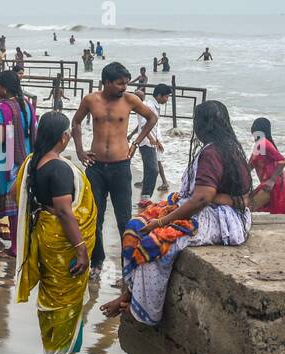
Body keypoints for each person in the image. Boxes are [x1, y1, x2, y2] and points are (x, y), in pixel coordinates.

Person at [102, 101, 253, 324]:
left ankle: (143, 308)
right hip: (219, 211)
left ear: (202, 125)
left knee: (153, 243)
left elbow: (202, 198)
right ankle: (129, 291)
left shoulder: (213, 152)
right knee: (135, 227)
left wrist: (162, 221)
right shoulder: (230, 147)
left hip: (219, 220)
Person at [12, 111, 96, 354]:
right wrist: (81, 248)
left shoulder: (33, 162)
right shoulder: (58, 169)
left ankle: (54, 353)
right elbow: (65, 212)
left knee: (51, 296)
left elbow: (20, 193)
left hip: (45, 233)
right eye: (68, 133)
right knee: (63, 300)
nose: (70, 136)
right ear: (62, 137)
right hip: (61, 240)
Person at [72, 62, 157, 274]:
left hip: (121, 166)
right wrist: (80, 151)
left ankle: (126, 265)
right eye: (120, 83)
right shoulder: (91, 100)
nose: (124, 87)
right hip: (96, 166)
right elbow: (76, 122)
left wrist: (136, 143)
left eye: (126, 83)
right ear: (107, 82)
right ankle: (97, 262)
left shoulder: (130, 100)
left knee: (124, 218)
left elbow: (151, 118)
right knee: (95, 216)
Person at [0, 70, 37, 257]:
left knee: (12, 206)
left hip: (6, 160)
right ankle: (21, 244)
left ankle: (14, 247)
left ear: (5, 89)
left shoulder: (3, 109)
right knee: (21, 203)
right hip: (25, 157)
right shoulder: (28, 106)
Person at [248, 117, 285, 214]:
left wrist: (272, 180)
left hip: (274, 183)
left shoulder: (263, 143)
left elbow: (281, 161)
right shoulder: (260, 145)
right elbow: (251, 165)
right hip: (272, 183)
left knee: (249, 207)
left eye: (253, 125)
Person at [135, 84, 171, 199]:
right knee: (153, 170)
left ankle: (145, 197)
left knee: (149, 169)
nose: (167, 99)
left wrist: (157, 140)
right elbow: (143, 125)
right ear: (159, 96)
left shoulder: (154, 106)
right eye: (166, 96)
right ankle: (146, 197)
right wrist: (151, 139)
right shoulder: (149, 106)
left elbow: (154, 126)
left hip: (150, 141)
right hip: (146, 142)